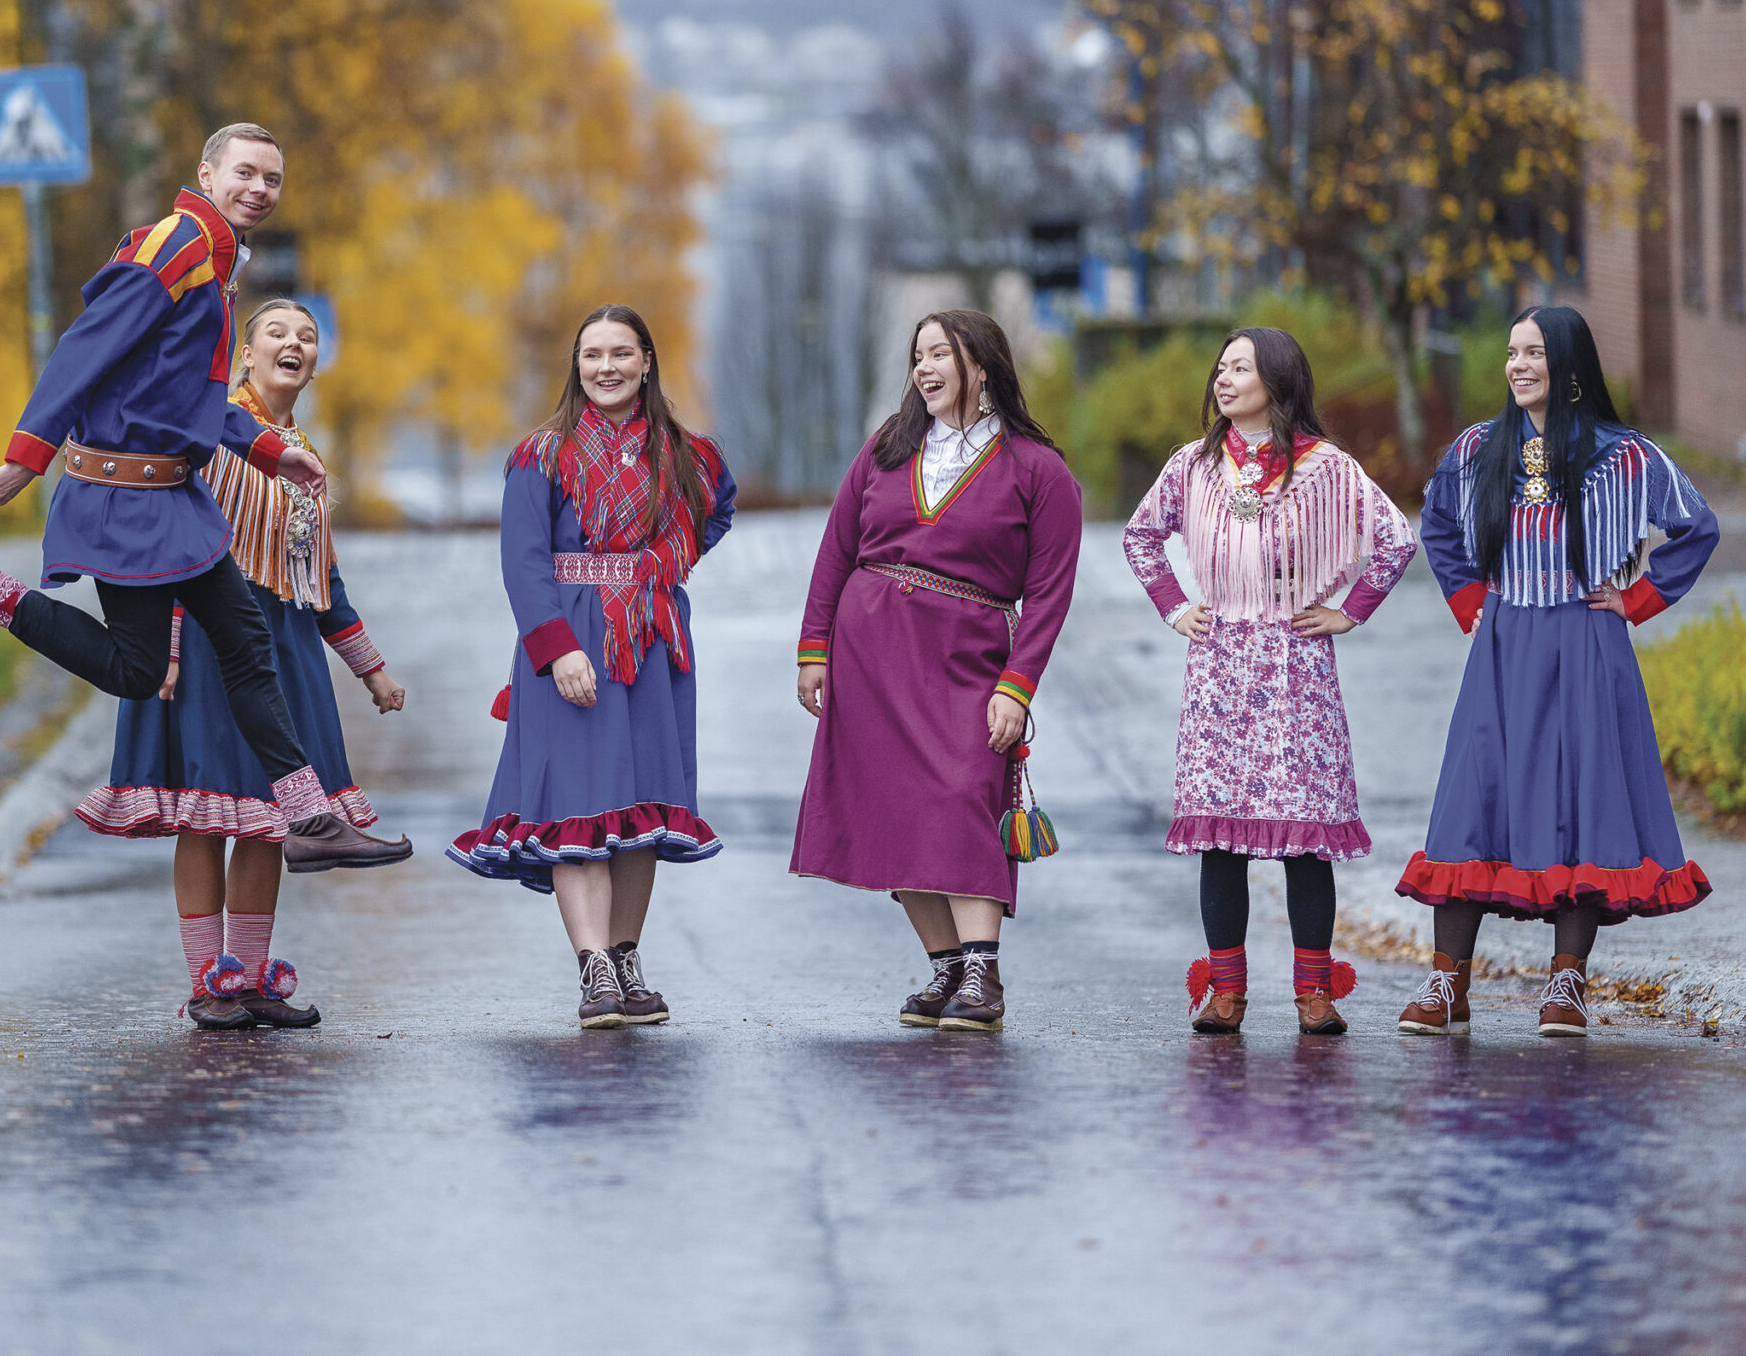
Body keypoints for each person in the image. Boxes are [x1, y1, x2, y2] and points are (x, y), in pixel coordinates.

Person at [0, 124, 407, 874]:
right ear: (207, 172)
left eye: (272, 179)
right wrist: (23, 461)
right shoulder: (177, 246)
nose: (259, 189)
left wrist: (269, 449)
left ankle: (309, 817)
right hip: (126, 503)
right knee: (140, 666)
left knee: (245, 646)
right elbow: (81, 348)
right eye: (246, 173)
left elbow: (186, 395)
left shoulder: (216, 265)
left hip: (173, 500)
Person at [80, 298, 408, 1029]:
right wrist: (163, 651)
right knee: (206, 817)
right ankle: (208, 983)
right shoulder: (217, 434)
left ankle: (252, 978)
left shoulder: (303, 452)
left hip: (284, 652)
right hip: (202, 643)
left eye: (308, 335)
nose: (294, 342)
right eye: (277, 333)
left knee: (269, 820)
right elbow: (167, 542)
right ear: (247, 354)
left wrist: (370, 669)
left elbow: (322, 580)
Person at [1397, 305, 1718, 1038]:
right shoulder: (1478, 447)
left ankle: (1566, 985)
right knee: (1474, 800)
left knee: (1583, 804)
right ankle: (1448, 983)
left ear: (1568, 364)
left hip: (1587, 643)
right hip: (1504, 644)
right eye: (1511, 352)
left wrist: (1636, 598)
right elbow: (1438, 521)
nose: (1518, 365)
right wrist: (1470, 598)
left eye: (1534, 352)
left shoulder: (1628, 455)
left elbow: (1697, 525)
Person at [789, 310, 1082, 1033]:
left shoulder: (1038, 469)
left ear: (980, 365)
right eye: (916, 354)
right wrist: (814, 647)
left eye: (938, 353)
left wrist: (1018, 685)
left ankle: (983, 970)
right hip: (870, 657)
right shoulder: (886, 450)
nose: (923, 367)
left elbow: (1049, 592)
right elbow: (836, 550)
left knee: (962, 796)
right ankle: (947, 965)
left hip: (968, 658)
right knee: (890, 809)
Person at [1122, 328, 1416, 1036]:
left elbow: (1396, 537)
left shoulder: (1324, 468)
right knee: (1220, 838)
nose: (1224, 378)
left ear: (1278, 380)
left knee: (1306, 835)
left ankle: (1316, 992)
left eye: (1241, 367)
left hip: (1296, 666)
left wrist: (1349, 610)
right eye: (1220, 367)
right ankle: (1225, 991)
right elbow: (1139, 534)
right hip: (1219, 664)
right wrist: (1175, 605)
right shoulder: (1193, 465)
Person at [448, 304, 734, 1028]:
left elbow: (716, 510)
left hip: (652, 642)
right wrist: (557, 648)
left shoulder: (686, 455)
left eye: (620, 353)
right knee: (578, 803)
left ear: (646, 361)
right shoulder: (541, 453)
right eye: (591, 355)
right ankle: (594, 969)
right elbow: (522, 560)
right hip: (570, 644)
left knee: (641, 808)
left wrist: (664, 564)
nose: (605, 367)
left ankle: (628, 958)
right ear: (576, 367)